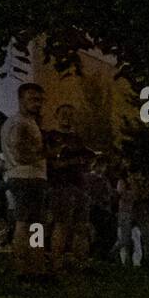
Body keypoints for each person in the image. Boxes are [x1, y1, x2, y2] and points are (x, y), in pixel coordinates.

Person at [1, 83, 51, 279]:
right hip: (25, 177)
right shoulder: (19, 124)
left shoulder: (28, 122)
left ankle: (35, 265)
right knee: (25, 223)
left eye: (39, 99)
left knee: (35, 224)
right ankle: (23, 268)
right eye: (32, 99)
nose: (37, 103)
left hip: (32, 177)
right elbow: (21, 154)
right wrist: (49, 154)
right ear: (21, 99)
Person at [45, 104, 93, 271]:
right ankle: (56, 263)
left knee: (81, 225)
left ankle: (80, 263)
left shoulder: (77, 138)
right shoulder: (50, 136)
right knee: (61, 224)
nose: (67, 117)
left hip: (79, 185)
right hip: (60, 186)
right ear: (56, 115)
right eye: (63, 114)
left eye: (71, 114)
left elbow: (86, 159)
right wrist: (73, 161)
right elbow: (53, 163)